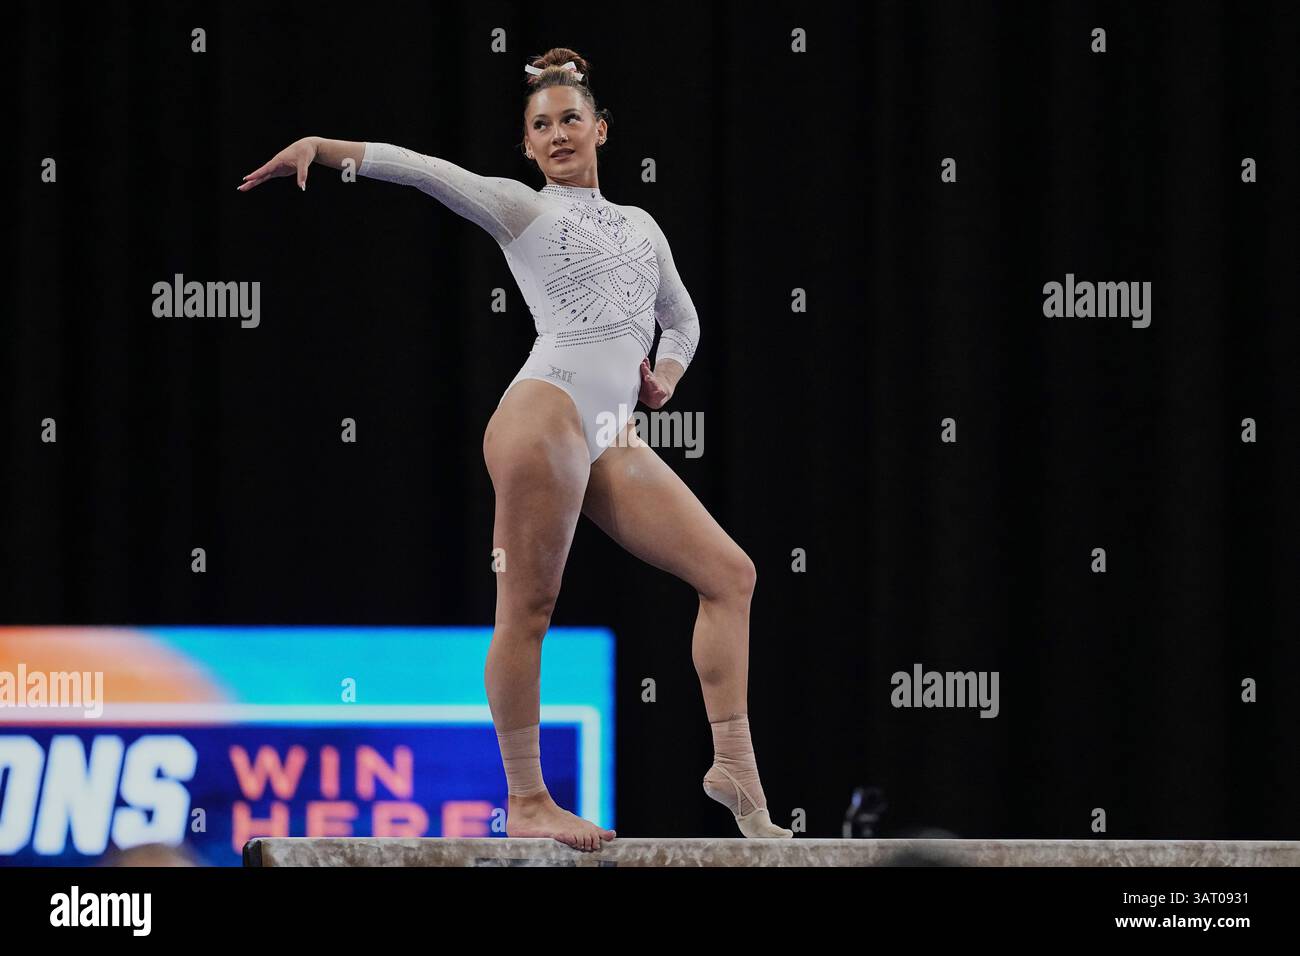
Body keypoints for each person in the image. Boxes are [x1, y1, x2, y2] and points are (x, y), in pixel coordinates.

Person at [237, 47, 792, 849]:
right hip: (546, 414)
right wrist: (326, 151)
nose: (558, 133)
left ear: (601, 129)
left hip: (608, 431)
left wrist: (664, 378)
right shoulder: (523, 209)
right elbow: (426, 170)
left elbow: (686, 319)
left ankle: (733, 764)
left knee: (730, 574)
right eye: (541, 126)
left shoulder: (642, 226)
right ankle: (527, 797)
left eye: (571, 119)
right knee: (529, 608)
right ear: (526, 149)